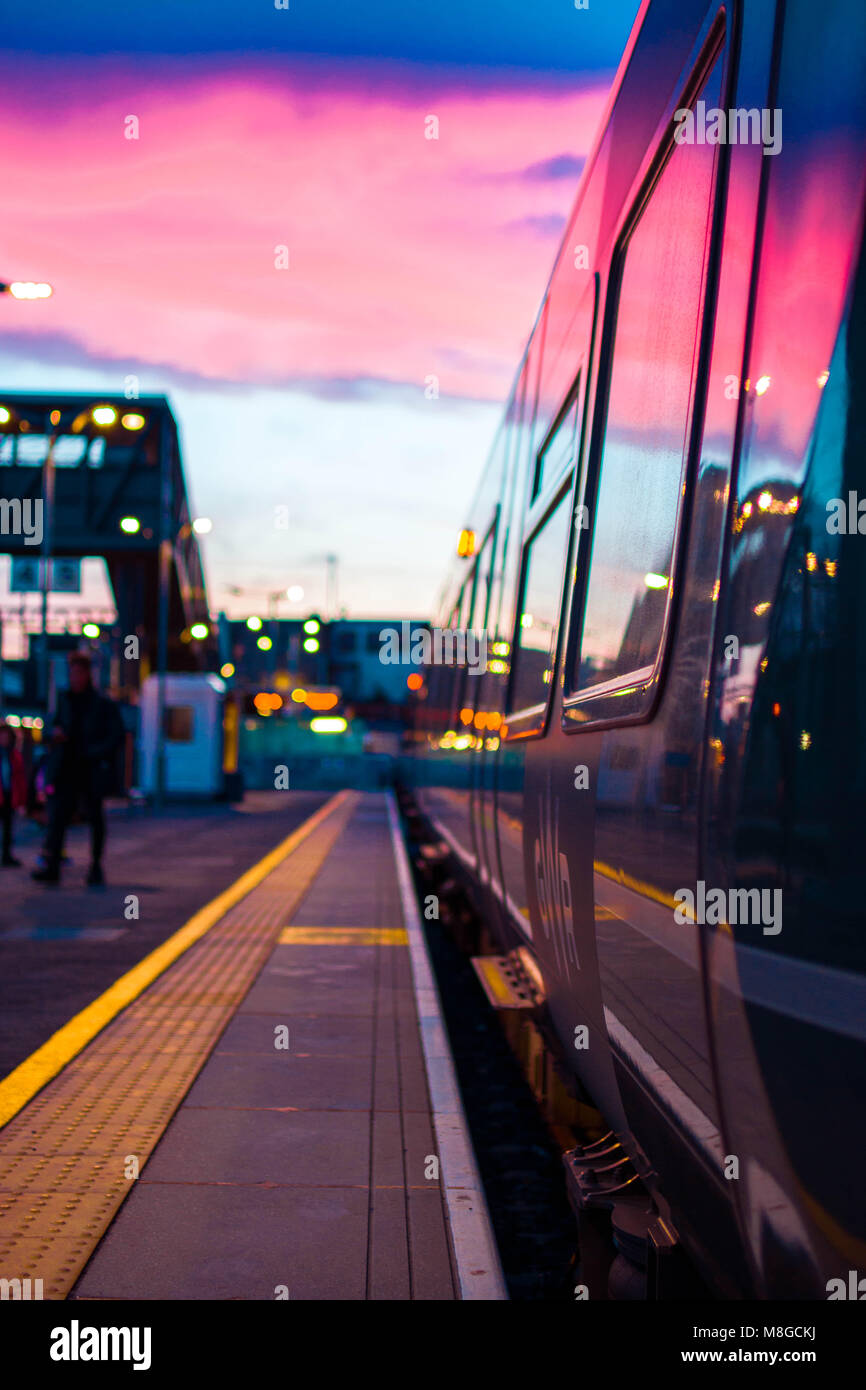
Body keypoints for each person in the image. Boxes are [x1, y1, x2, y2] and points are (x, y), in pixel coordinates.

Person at [32, 653, 124, 887]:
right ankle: (53, 866)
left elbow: (115, 736)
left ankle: (95, 866)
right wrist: (54, 736)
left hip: (89, 769)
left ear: (88, 674)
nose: (74, 677)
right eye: (72, 673)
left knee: (94, 817)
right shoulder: (64, 701)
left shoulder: (101, 704)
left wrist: (93, 752)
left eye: (78, 672)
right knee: (57, 818)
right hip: (65, 768)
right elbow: (52, 727)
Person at [0, 720, 27, 867]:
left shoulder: (14, 755)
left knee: (8, 828)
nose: (3, 739)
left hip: (9, 795)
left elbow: (20, 778)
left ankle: (6, 855)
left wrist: (22, 800)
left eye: (5, 736)